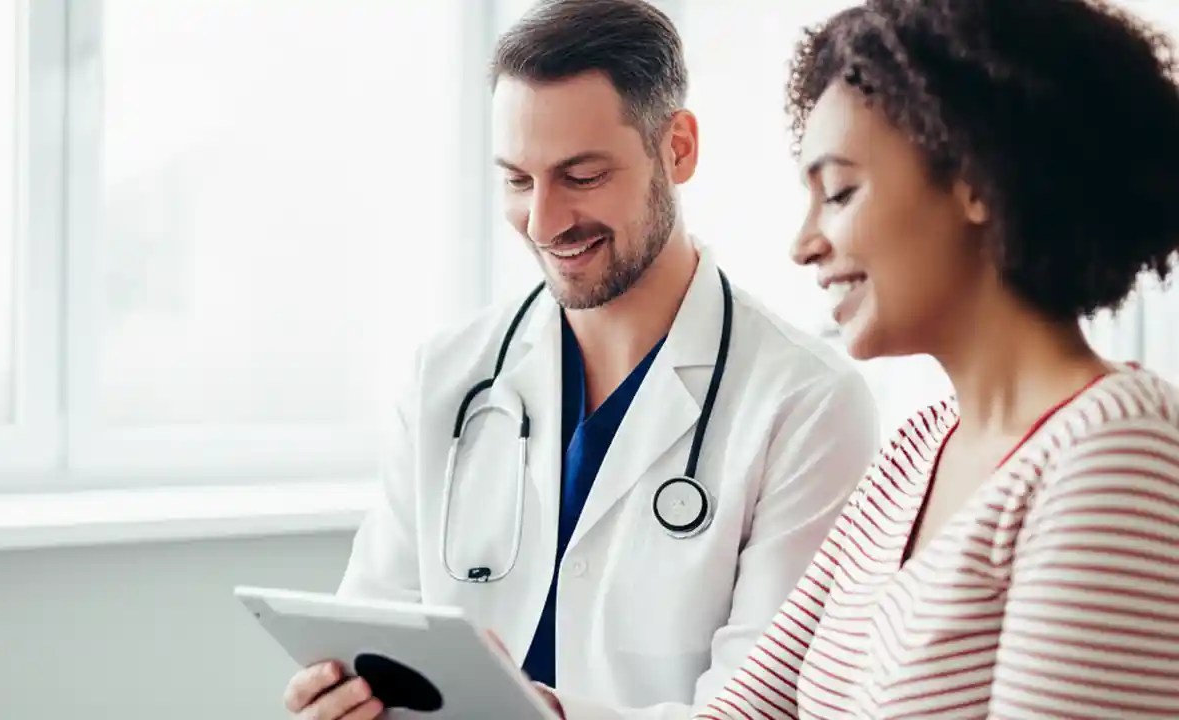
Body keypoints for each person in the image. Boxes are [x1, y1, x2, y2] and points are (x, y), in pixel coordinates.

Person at [282, 1, 879, 719]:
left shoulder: (808, 403)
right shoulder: (445, 379)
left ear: (678, 148)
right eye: (516, 180)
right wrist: (341, 703)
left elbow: (762, 710)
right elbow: (375, 637)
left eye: (582, 176)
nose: (543, 222)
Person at [697, 1, 1179, 718]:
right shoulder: (916, 450)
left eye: (839, 193)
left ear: (977, 180)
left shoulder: (1115, 453)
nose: (804, 244)